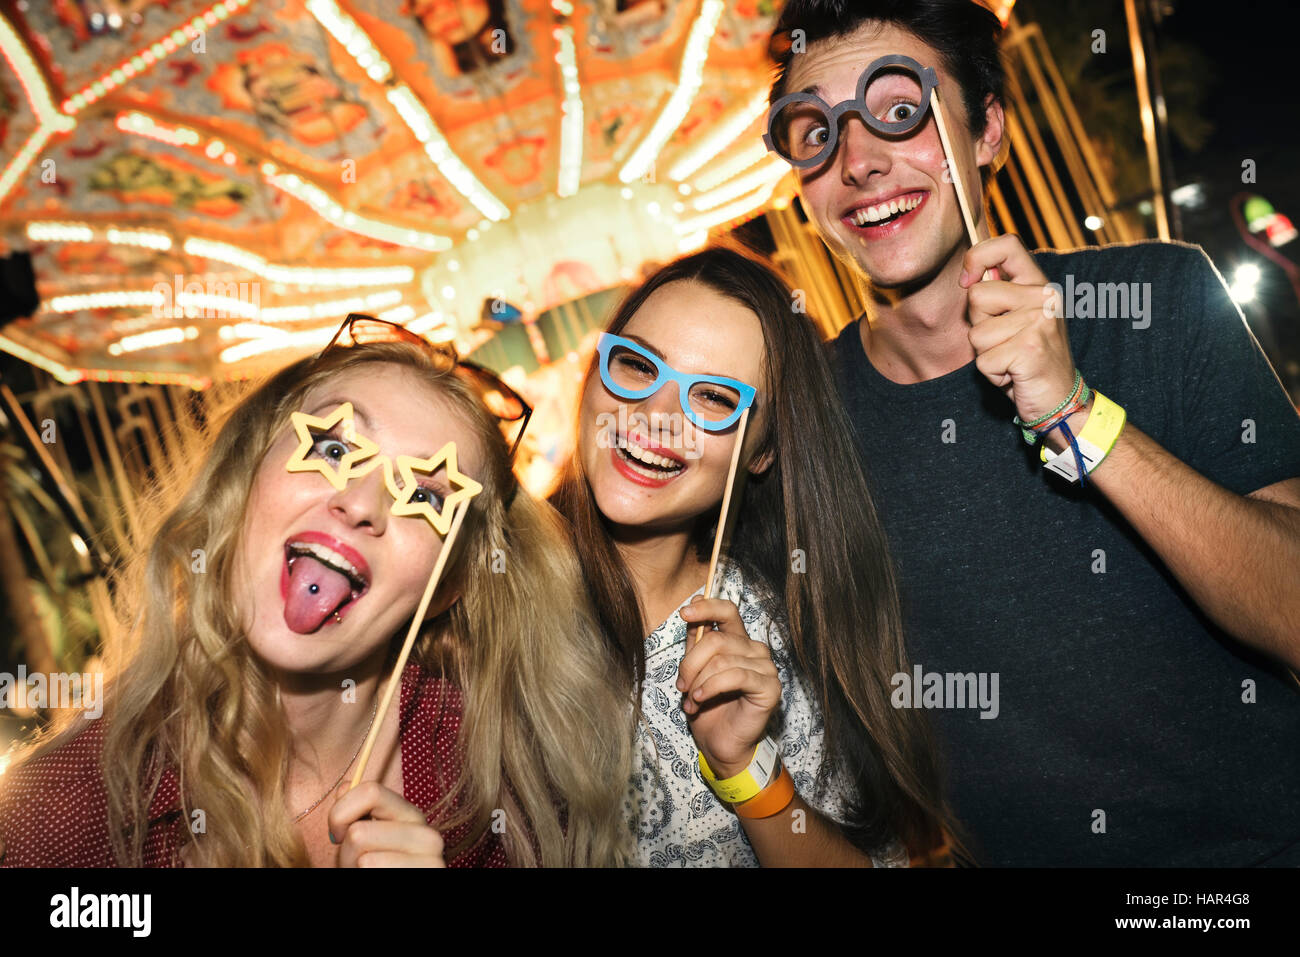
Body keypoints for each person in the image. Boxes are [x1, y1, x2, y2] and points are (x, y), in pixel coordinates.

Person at [765, 0, 1300, 865]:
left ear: (988, 133)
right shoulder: (802, 424)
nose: (858, 161)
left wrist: (1075, 412)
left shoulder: (1159, 298)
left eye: (900, 112)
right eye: (815, 133)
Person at [0, 323, 632, 867]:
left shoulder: (506, 774)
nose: (360, 501)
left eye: (425, 496)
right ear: (240, 479)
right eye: (333, 448)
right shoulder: (59, 818)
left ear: (449, 587)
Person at [552, 245, 958, 867]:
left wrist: (745, 768)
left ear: (762, 451)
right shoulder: (479, 590)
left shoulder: (781, 633)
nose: (657, 416)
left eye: (715, 397)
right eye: (636, 364)